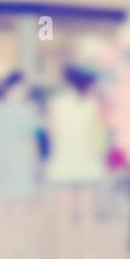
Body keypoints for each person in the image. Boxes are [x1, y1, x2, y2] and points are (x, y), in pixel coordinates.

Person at [0, 74, 41, 251]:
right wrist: (36, 162)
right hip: (19, 160)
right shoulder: (27, 110)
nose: (24, 90)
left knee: (2, 202)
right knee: (18, 203)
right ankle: (17, 242)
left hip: (2, 160)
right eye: (22, 87)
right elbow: (30, 139)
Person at [44, 66, 108, 248]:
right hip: (87, 160)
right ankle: (87, 247)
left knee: (63, 210)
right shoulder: (93, 104)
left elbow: (51, 135)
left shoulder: (55, 103)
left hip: (63, 161)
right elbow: (100, 132)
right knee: (87, 210)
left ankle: (64, 247)